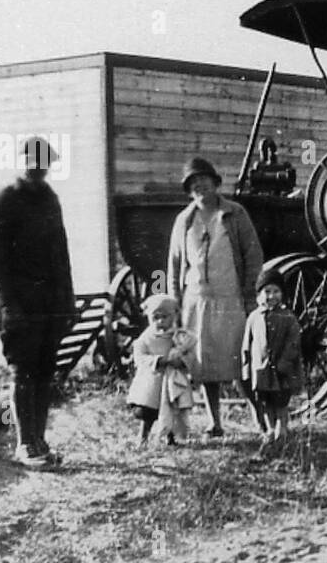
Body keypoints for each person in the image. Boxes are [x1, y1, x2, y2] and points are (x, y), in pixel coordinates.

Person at [0, 137, 76, 467]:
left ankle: (40, 441)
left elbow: (61, 254)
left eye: (44, 161)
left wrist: (68, 303)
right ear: (22, 160)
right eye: (32, 159)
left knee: (44, 373)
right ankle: (24, 445)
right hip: (21, 308)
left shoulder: (50, 199)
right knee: (23, 374)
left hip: (50, 305)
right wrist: (11, 305)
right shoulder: (7, 200)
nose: (38, 166)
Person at [167, 156, 264, 436]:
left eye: (204, 180)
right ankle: (215, 422)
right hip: (196, 302)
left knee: (239, 362)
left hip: (230, 299)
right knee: (205, 365)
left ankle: (260, 419)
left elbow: (253, 255)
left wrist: (249, 296)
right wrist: (175, 303)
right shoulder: (184, 221)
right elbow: (174, 264)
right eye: (193, 183)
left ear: (215, 183)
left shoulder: (235, 214)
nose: (200, 186)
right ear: (189, 190)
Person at [241, 268, 304, 451]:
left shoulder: (288, 318)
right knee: (265, 401)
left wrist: (285, 362)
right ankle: (269, 429)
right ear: (259, 295)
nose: (271, 296)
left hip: (282, 370)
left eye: (276, 291)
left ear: (282, 294)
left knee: (281, 401)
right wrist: (246, 369)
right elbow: (247, 344)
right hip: (260, 369)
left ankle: (281, 429)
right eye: (267, 291)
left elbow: (294, 343)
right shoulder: (254, 318)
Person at [127, 294, 199, 446]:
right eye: (156, 317)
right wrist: (159, 360)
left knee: (171, 408)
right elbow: (140, 356)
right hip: (151, 381)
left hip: (171, 380)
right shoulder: (146, 337)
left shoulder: (178, 337)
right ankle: (143, 436)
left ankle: (170, 437)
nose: (160, 322)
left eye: (165, 317)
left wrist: (181, 361)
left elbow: (189, 354)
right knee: (148, 410)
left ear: (173, 316)